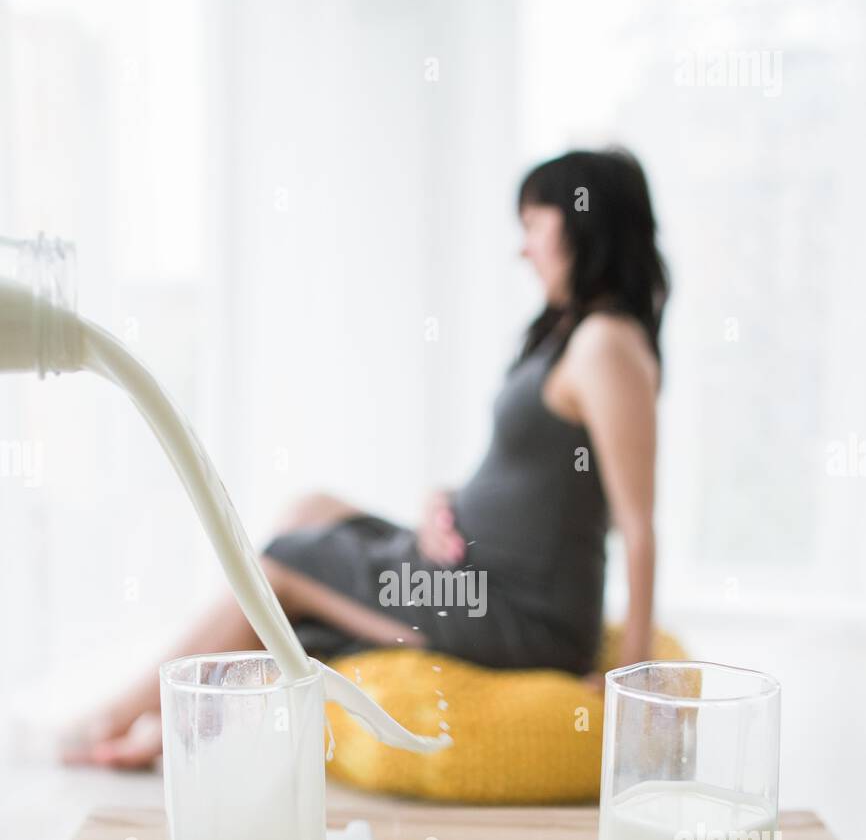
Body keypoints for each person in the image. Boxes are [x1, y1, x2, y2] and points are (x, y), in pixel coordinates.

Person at [67, 147, 668, 769]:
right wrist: (447, 505)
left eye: (534, 226)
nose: (524, 250)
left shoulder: (607, 347)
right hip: (472, 574)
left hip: (512, 610)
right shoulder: (571, 333)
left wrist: (631, 673)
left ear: (583, 224)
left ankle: (120, 718)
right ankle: (167, 725)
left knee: (281, 568)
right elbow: (532, 476)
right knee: (312, 509)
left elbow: (639, 524)